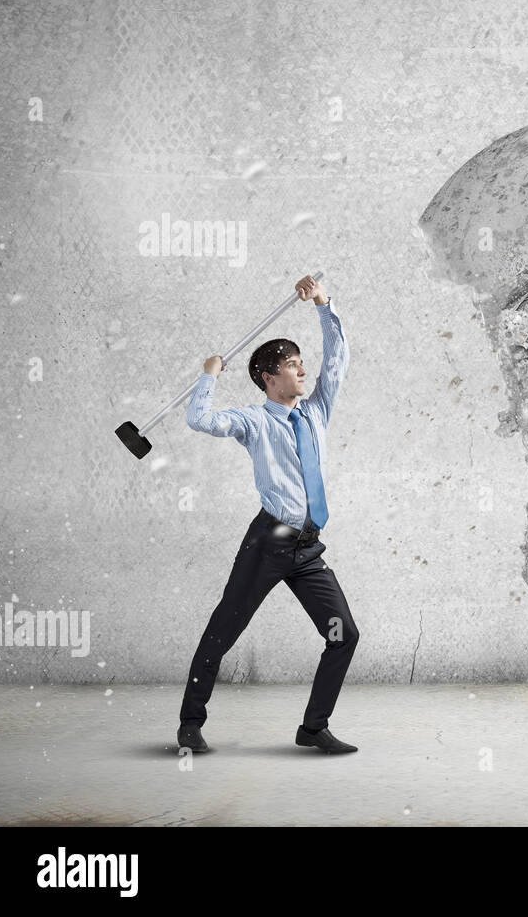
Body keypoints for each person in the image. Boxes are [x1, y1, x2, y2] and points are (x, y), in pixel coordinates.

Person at [176, 274, 359, 754]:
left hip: (307, 549)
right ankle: (190, 724)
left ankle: (312, 729)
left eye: (302, 364)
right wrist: (209, 374)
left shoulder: (316, 410)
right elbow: (200, 419)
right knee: (223, 632)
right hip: (269, 544)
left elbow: (338, 355)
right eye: (293, 366)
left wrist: (323, 302)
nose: (304, 372)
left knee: (343, 634)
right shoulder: (252, 422)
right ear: (268, 378)